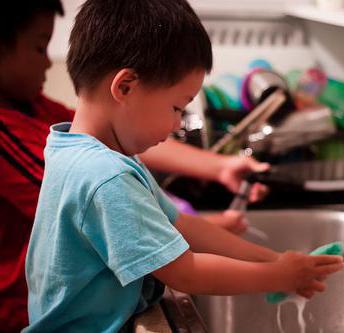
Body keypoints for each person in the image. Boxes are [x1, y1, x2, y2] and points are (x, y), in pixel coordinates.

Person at [24, 0, 344, 331]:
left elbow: (183, 225)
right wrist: (278, 276)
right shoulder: (106, 177)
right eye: (177, 108)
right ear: (125, 87)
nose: (176, 125)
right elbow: (185, 272)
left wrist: (274, 259)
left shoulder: (80, 151)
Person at [0, 1, 261, 331]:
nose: (47, 64)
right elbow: (108, 202)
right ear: (124, 86)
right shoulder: (98, 174)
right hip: (17, 313)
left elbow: (119, 129)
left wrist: (218, 166)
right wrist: (278, 273)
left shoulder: (48, 118)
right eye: (39, 47)